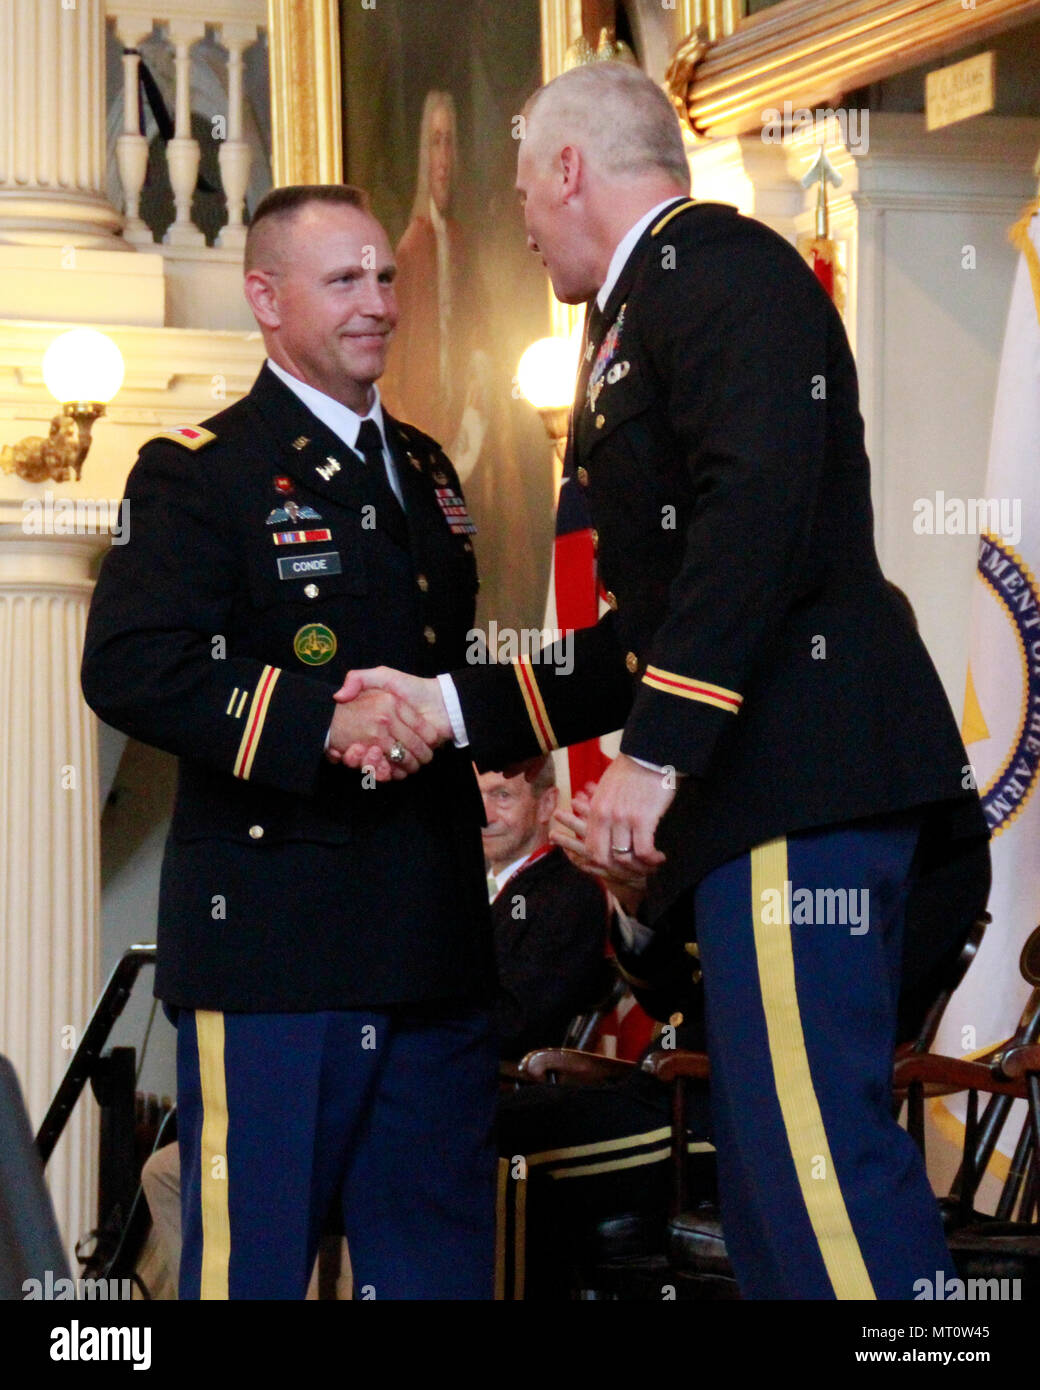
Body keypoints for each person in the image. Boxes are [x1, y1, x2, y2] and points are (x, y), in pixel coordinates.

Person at [334, 63, 992, 1300]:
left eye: (525, 186)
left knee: (815, 1174)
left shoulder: (722, 268)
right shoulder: (647, 303)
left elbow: (758, 519)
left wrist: (656, 753)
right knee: (768, 1190)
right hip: (768, 802)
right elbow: (644, 632)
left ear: (570, 170)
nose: (519, 219)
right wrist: (441, 704)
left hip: (806, 787)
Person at [81, 184, 499, 1300]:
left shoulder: (428, 470)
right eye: (344, 280)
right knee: (250, 1272)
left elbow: (444, 661)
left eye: (386, 276)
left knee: (434, 1275)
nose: (378, 303)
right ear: (264, 299)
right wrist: (324, 722)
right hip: (277, 945)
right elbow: (129, 664)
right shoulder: (198, 470)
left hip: (432, 934)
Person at [481, 759, 613, 1060]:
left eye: (502, 795)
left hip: (492, 1089)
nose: (484, 815)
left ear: (546, 804)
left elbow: (516, 1027)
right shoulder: (458, 888)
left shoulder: (570, 895)